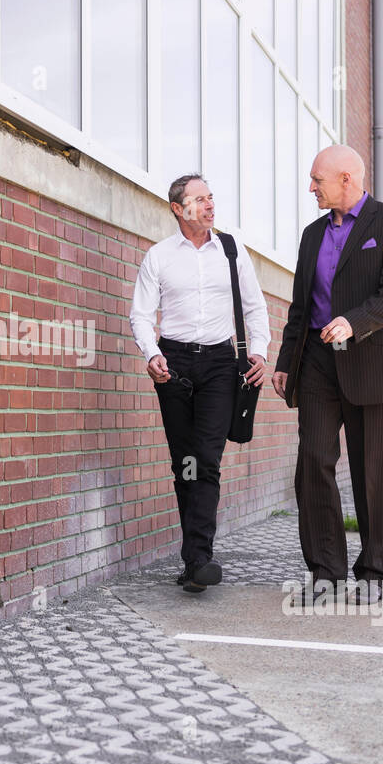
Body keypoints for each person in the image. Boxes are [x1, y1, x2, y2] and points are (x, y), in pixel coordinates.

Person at [272, 145, 383, 605]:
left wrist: (355, 322)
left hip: (373, 360)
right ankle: (326, 570)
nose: (310, 188)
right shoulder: (310, 235)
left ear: (346, 179)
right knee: (314, 462)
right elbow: (301, 306)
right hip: (319, 362)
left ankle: (372, 570)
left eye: (316, 180)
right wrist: (286, 361)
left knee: (371, 470)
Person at [130, 174, 270, 593]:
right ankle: (193, 560)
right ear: (178, 208)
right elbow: (141, 314)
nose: (210, 205)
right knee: (184, 462)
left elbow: (254, 306)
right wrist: (151, 354)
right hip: (173, 365)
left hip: (219, 365)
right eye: (200, 199)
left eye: (212, 197)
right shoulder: (158, 256)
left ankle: (199, 557)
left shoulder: (231, 250)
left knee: (205, 460)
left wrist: (258, 351)